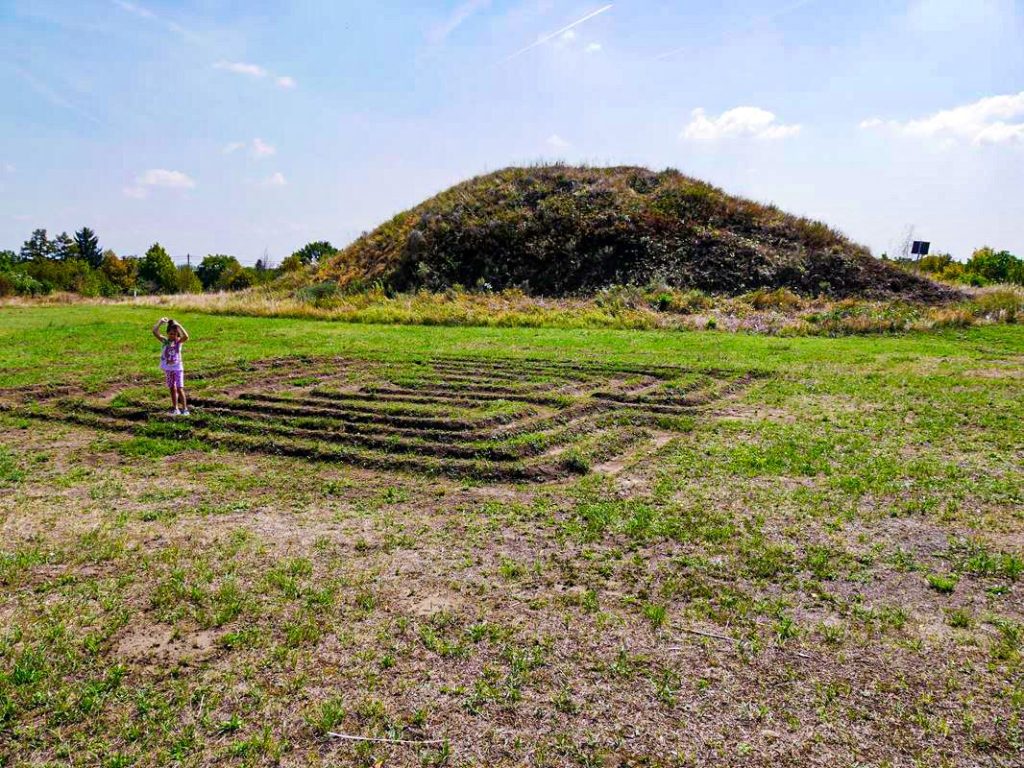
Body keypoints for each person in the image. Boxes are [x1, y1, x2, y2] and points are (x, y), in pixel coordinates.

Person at [152, 317, 190, 416]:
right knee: (171, 388)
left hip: (178, 369)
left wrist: (179, 325)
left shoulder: (178, 342)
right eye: (170, 333)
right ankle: (175, 408)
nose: (172, 336)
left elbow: (186, 336)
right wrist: (160, 322)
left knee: (179, 388)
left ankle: (185, 409)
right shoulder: (165, 341)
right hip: (168, 369)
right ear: (168, 333)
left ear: (177, 334)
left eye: (174, 334)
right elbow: (155, 331)